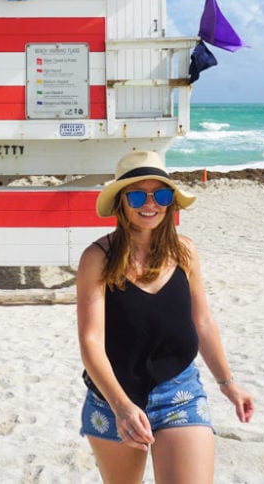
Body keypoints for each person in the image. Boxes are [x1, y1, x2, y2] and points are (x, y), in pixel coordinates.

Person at [76, 150, 254, 483]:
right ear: (120, 203)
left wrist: (229, 385)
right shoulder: (97, 258)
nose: (150, 203)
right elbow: (90, 341)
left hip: (179, 393)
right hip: (112, 397)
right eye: (137, 194)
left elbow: (202, 323)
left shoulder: (185, 251)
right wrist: (121, 406)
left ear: (171, 201)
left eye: (160, 194)